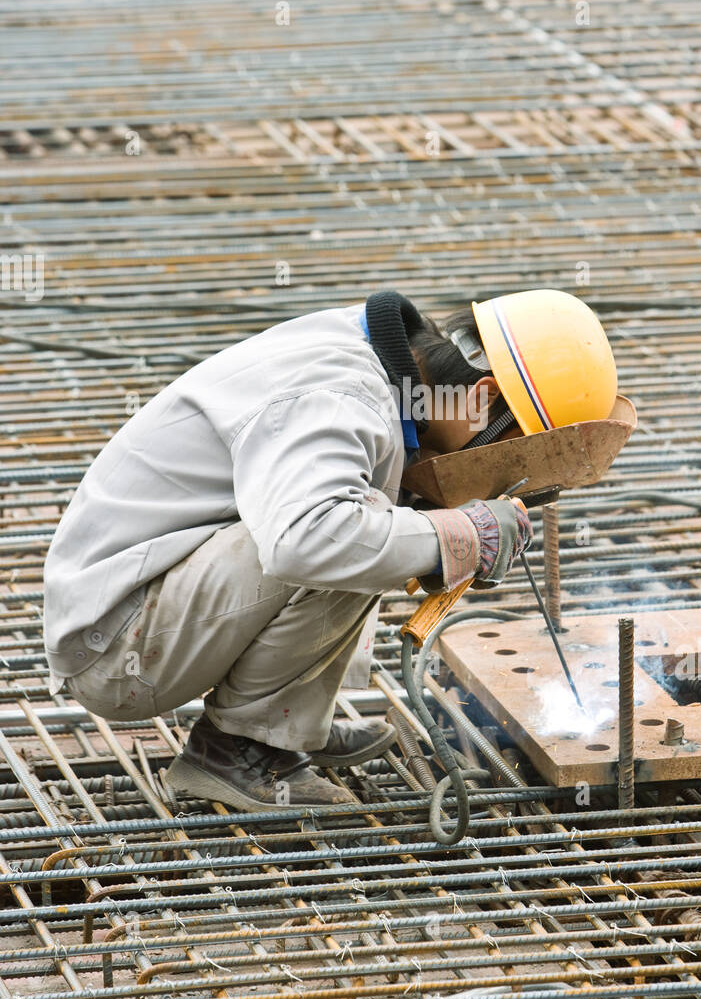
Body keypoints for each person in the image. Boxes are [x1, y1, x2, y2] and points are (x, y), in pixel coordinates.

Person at [42, 288, 617, 811]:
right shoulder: (342, 396)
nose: (493, 472)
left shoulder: (383, 367)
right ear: (480, 397)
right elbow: (306, 541)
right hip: (117, 650)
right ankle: (237, 751)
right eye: (504, 449)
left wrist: (437, 529)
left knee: (370, 524)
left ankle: (279, 728)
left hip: (153, 603)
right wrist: (458, 534)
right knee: (341, 528)